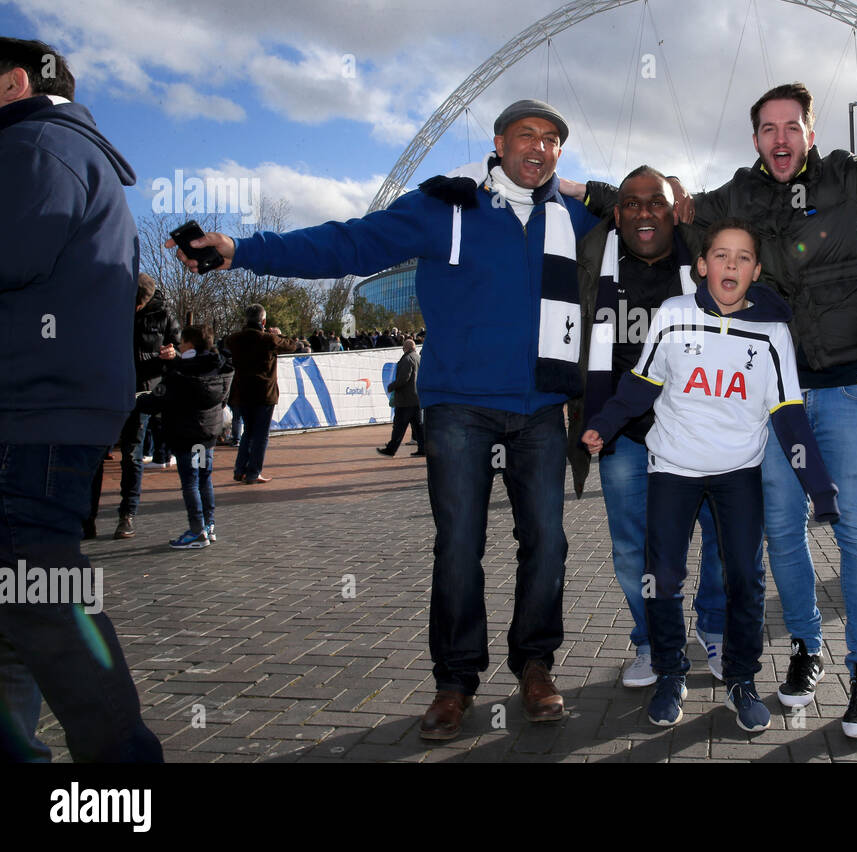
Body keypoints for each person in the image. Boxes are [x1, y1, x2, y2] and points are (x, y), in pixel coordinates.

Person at [171, 98, 601, 741]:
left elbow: (651, 208)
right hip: (459, 407)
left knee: (548, 543)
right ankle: (454, 682)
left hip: (542, 408)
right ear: (498, 142)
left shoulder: (577, 216)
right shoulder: (446, 206)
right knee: (459, 546)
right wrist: (241, 248)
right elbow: (347, 242)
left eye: (551, 140)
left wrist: (582, 188)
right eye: (525, 135)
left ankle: (536, 666)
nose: (538, 148)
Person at [570, 6, 857, 739]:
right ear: (755, 138)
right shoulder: (735, 198)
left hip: (842, 388)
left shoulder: (848, 181)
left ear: (810, 132)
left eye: (792, 127)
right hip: (770, 402)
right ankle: (807, 647)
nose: (780, 139)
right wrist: (585, 195)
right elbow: (664, 214)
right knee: (781, 531)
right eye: (767, 128)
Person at [583, 221, 838, 732]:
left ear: (755, 272)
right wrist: (604, 424)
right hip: (672, 470)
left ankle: (742, 679)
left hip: (737, 474)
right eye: (721, 255)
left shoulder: (772, 334)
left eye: (743, 258)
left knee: (746, 580)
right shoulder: (675, 315)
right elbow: (642, 382)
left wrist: (820, 489)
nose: (731, 265)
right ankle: (670, 673)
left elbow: (789, 415)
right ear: (702, 266)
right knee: (663, 578)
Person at [0, 36, 162, 761]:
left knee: (38, 593)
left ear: (10, 83)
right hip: (52, 402)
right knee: (19, 604)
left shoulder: (35, 147)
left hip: (28, 406)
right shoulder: (68, 149)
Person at [566, 166, 728, 687]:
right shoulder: (595, 256)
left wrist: (695, 204)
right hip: (624, 431)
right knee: (633, 548)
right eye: (631, 204)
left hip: (699, 428)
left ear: (674, 209)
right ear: (616, 214)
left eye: (654, 202)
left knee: (723, 536)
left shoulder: (701, 256)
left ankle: (715, 628)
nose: (643, 213)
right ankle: (653, 641)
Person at [135, 323, 234, 548]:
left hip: (186, 434)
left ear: (189, 343)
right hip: (206, 434)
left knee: (190, 482)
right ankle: (208, 525)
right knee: (203, 478)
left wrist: (137, 400)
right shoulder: (219, 368)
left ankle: (197, 530)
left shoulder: (180, 373)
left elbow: (157, 399)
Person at [112, 272, 182, 538]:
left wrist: (172, 352)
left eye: (139, 303)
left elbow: (178, 344)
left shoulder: (163, 314)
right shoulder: (113, 306)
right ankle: (87, 516)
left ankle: (127, 514)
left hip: (141, 389)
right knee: (94, 451)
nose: (135, 307)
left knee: (131, 453)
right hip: (111, 384)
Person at [224, 304, 298, 484]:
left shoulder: (235, 339)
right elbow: (292, 345)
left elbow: (224, 344)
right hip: (264, 393)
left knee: (247, 431)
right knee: (261, 435)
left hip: (242, 391)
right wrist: (277, 333)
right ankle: (253, 472)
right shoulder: (269, 340)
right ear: (263, 321)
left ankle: (240, 469)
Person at [377, 338, 424, 457]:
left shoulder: (407, 359)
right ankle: (423, 449)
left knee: (399, 426)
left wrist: (392, 386)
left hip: (405, 399)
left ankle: (391, 449)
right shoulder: (418, 358)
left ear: (405, 348)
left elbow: (404, 378)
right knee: (419, 426)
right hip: (417, 398)